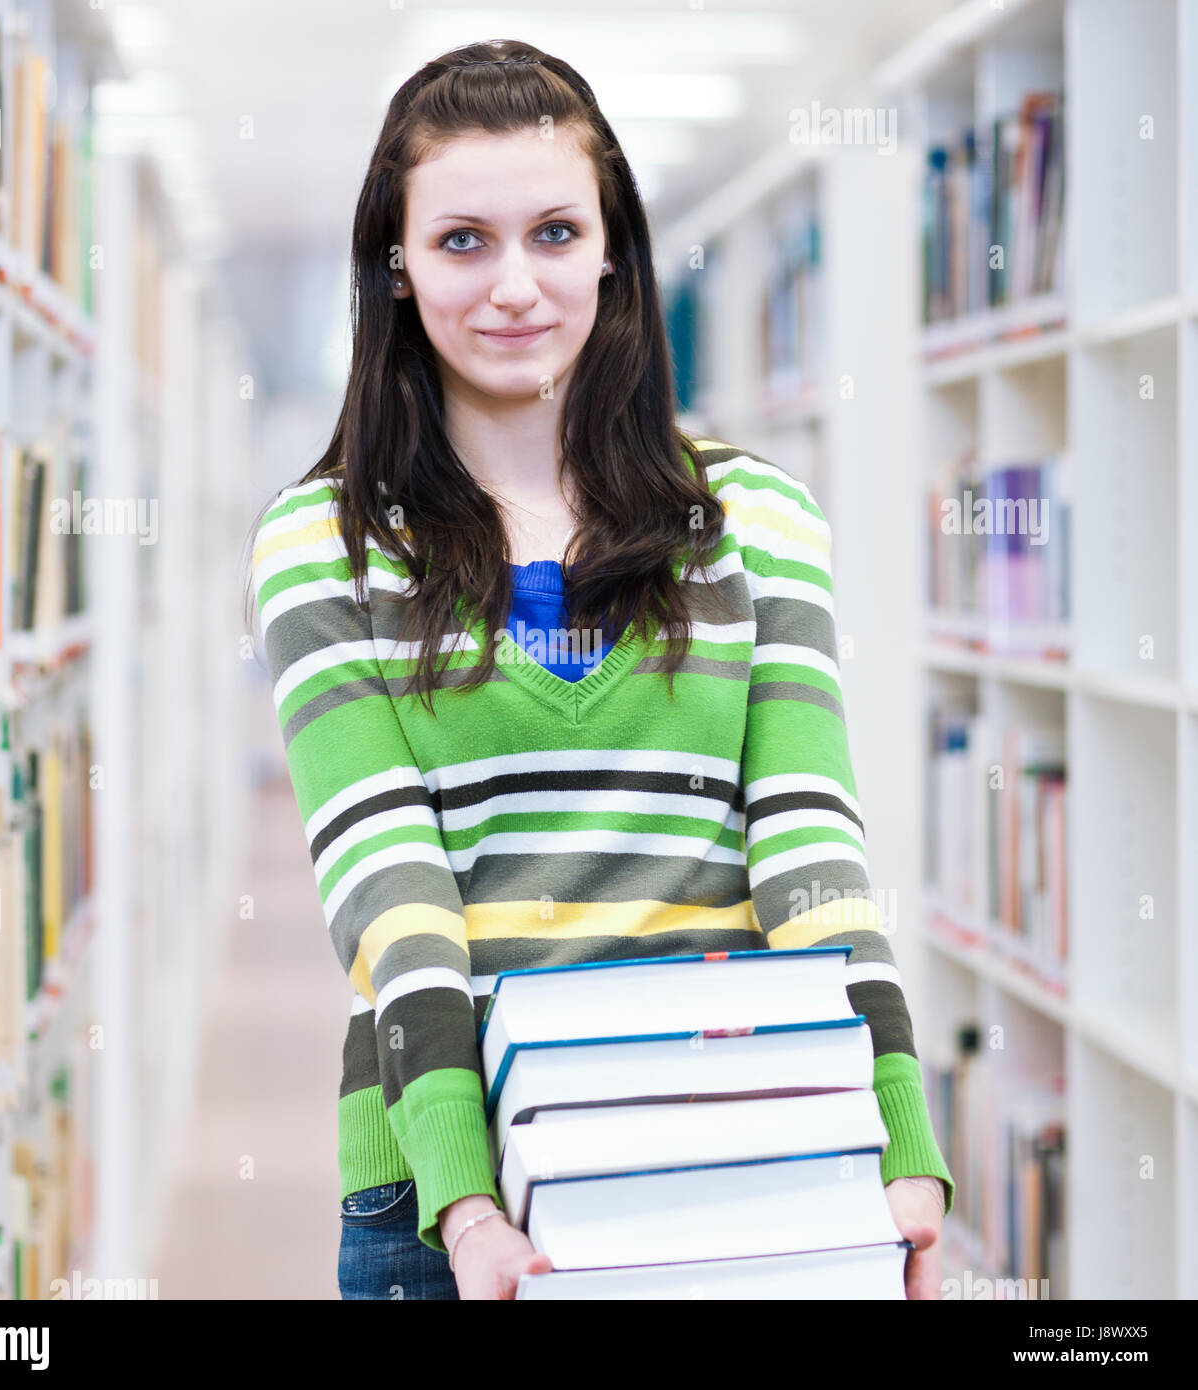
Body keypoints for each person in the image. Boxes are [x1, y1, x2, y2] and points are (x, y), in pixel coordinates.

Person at [246, 38, 954, 1301]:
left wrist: (896, 1134)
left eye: (556, 233)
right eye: (463, 239)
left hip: (741, 1132)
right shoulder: (325, 547)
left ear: (613, 250)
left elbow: (807, 840)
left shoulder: (755, 515)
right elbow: (390, 894)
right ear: (397, 265)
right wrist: (469, 1204)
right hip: (443, 1172)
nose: (514, 285)